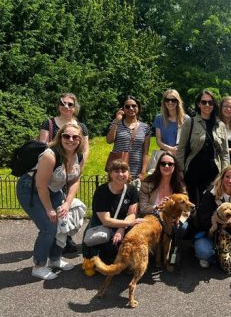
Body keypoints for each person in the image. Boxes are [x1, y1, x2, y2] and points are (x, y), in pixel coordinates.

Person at [16, 123, 84, 280]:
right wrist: (49, 210)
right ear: (60, 137)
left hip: (52, 190)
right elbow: (41, 186)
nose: (71, 140)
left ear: (80, 140)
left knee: (64, 222)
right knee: (49, 227)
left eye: (75, 137)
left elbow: (74, 181)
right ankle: (39, 266)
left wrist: (67, 204)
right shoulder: (50, 155)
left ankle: (55, 259)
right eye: (66, 136)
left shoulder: (77, 156)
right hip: (30, 189)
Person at [38, 93, 90, 253]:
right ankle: (52, 239)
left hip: (71, 171)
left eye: (70, 104)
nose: (66, 106)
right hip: (53, 171)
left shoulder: (81, 126)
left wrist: (78, 167)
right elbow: (42, 145)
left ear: (75, 107)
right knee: (52, 208)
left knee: (68, 205)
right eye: (63, 103)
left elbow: (85, 149)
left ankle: (66, 237)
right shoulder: (50, 123)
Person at [82, 160, 144, 272]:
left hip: (121, 224)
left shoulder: (132, 190)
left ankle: (125, 263)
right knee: (110, 247)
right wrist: (128, 223)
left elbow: (132, 214)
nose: (120, 174)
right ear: (110, 174)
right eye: (116, 171)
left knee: (130, 240)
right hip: (103, 227)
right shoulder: (101, 191)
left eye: (124, 171)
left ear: (128, 173)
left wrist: (122, 228)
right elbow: (106, 220)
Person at [177, 89, 230, 206]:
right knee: (194, 205)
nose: (207, 105)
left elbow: (225, 153)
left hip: (214, 173)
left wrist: (225, 173)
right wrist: (180, 170)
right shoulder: (189, 123)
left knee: (210, 205)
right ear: (198, 104)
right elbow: (181, 148)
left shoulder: (220, 125)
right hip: (194, 172)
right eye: (204, 102)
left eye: (210, 103)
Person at [106, 95, 151, 189]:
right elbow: (109, 140)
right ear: (123, 109)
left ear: (138, 107)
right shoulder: (117, 123)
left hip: (136, 171)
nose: (131, 108)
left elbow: (146, 152)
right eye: (127, 106)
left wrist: (143, 172)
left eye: (134, 106)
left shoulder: (145, 127)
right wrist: (117, 120)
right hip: (118, 170)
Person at [153, 89, 189, 155]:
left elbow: (188, 140)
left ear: (178, 102)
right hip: (165, 155)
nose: (170, 102)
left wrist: (178, 149)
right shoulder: (159, 118)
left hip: (181, 154)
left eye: (173, 100)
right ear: (164, 102)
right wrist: (171, 149)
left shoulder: (186, 119)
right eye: (167, 100)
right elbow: (158, 141)